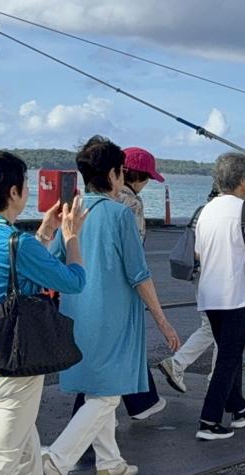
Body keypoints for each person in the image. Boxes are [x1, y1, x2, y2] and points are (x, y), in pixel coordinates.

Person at [42, 136, 180, 475]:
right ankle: (57, 460)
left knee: (98, 390)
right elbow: (139, 274)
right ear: (115, 173)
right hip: (113, 314)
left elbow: (51, 258)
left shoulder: (73, 209)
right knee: (106, 395)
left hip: (77, 309)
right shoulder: (120, 214)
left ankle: (109, 461)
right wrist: (163, 321)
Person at [0, 151, 87, 475]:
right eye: (26, 184)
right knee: (1, 460)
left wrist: (45, 232)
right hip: (15, 366)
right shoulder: (20, 244)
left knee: (26, 454)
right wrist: (72, 236)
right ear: (15, 192)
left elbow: (13, 271)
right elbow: (74, 280)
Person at [72, 145, 170, 420]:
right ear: (123, 173)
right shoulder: (128, 208)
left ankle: (110, 450)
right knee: (110, 368)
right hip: (116, 295)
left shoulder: (78, 205)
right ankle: (67, 450)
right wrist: (162, 320)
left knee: (98, 364)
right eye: (148, 177)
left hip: (83, 293)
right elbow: (135, 264)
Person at [193, 152, 245, 440]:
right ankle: (209, 420)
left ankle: (238, 408)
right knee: (228, 357)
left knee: (229, 352)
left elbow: (198, 252)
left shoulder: (206, 210)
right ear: (242, 180)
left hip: (209, 294)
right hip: (236, 294)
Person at [158, 188, 219, 394]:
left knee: (212, 326)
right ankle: (215, 379)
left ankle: (183, 366)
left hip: (200, 275)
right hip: (217, 276)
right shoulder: (221, 214)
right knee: (223, 328)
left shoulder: (202, 210)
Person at [116, 146, 165, 241]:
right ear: (138, 178)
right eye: (148, 178)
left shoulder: (105, 195)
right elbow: (134, 242)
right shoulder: (133, 204)